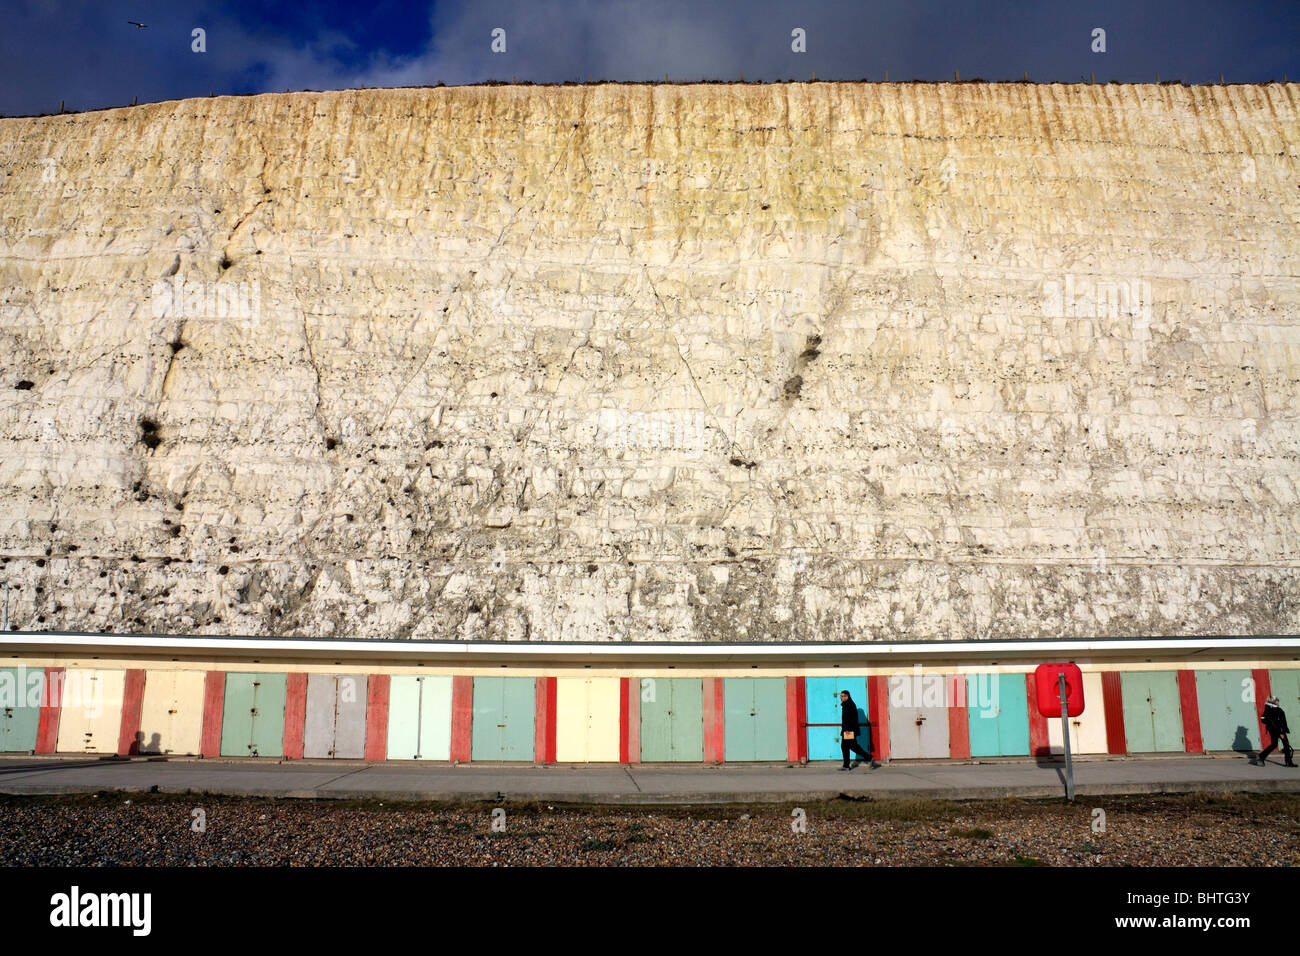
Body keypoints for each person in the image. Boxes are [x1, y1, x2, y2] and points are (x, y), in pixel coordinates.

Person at [839, 690, 878, 770]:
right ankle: (846, 765)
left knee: (852, 747)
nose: (841, 697)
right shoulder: (846, 705)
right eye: (841, 696)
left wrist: (847, 729)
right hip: (847, 730)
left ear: (847, 696)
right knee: (847, 746)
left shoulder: (849, 705)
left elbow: (851, 719)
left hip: (849, 731)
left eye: (843, 696)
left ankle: (869, 758)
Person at [1257, 695, 1295, 767]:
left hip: (1275, 730)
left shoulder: (1272, 709)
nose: (1278, 701)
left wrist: (1267, 721)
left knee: (1274, 744)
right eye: (1277, 700)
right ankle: (1288, 762)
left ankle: (1261, 756)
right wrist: (1280, 732)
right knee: (1286, 745)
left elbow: (1263, 718)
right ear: (1274, 702)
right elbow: (1273, 721)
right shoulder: (1273, 710)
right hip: (1278, 730)